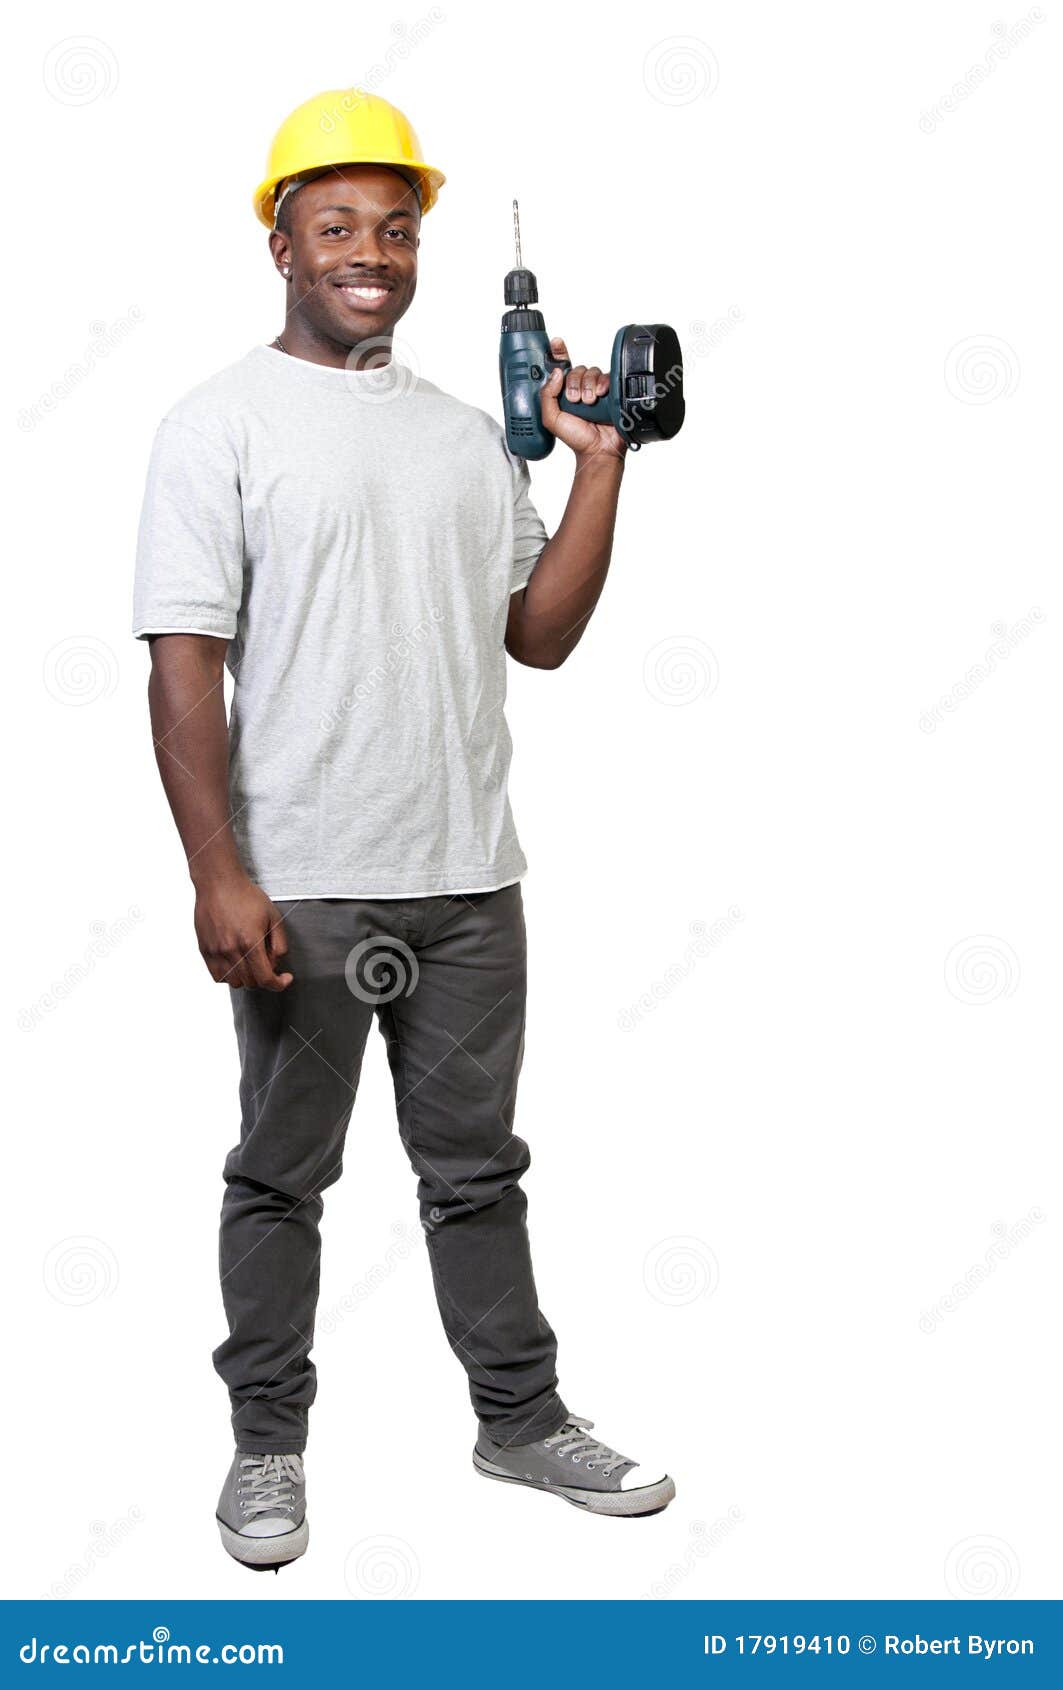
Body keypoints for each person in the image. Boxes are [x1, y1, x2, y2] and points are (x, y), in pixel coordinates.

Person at [133, 88, 675, 1572]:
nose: (370, 251)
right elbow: (186, 661)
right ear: (281, 242)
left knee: (477, 1170)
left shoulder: (463, 437)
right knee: (279, 1177)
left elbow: (540, 636)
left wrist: (598, 465)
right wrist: (219, 874)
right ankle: (265, 1447)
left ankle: (520, 1417)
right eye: (336, 225)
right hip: (301, 888)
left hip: (469, 884)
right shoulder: (216, 424)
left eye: (395, 226)